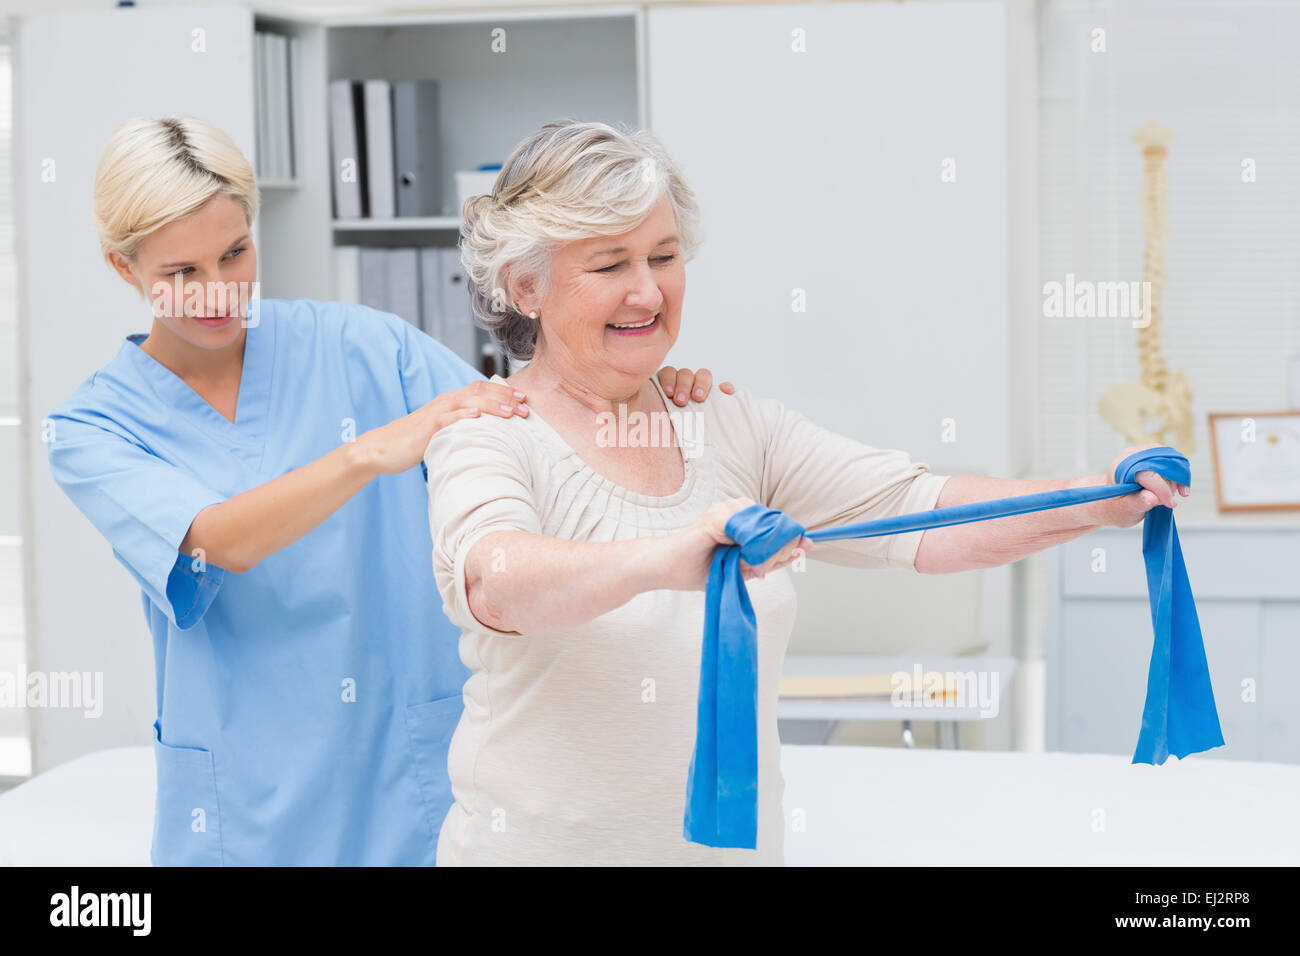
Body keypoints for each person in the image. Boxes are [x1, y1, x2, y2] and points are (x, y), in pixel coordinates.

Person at [424, 119, 1189, 865]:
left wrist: (1091, 500)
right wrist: (667, 557)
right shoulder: (487, 433)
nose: (648, 291)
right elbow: (500, 583)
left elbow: (919, 514)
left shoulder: (727, 421)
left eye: (663, 256)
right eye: (610, 265)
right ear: (526, 285)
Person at [45, 114, 728, 865]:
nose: (219, 292)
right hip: (241, 806)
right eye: (182, 274)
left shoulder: (367, 346)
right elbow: (216, 541)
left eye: (235, 252)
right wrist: (369, 453)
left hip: (408, 782)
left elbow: (535, 435)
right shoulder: (93, 428)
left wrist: (641, 392)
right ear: (123, 268)